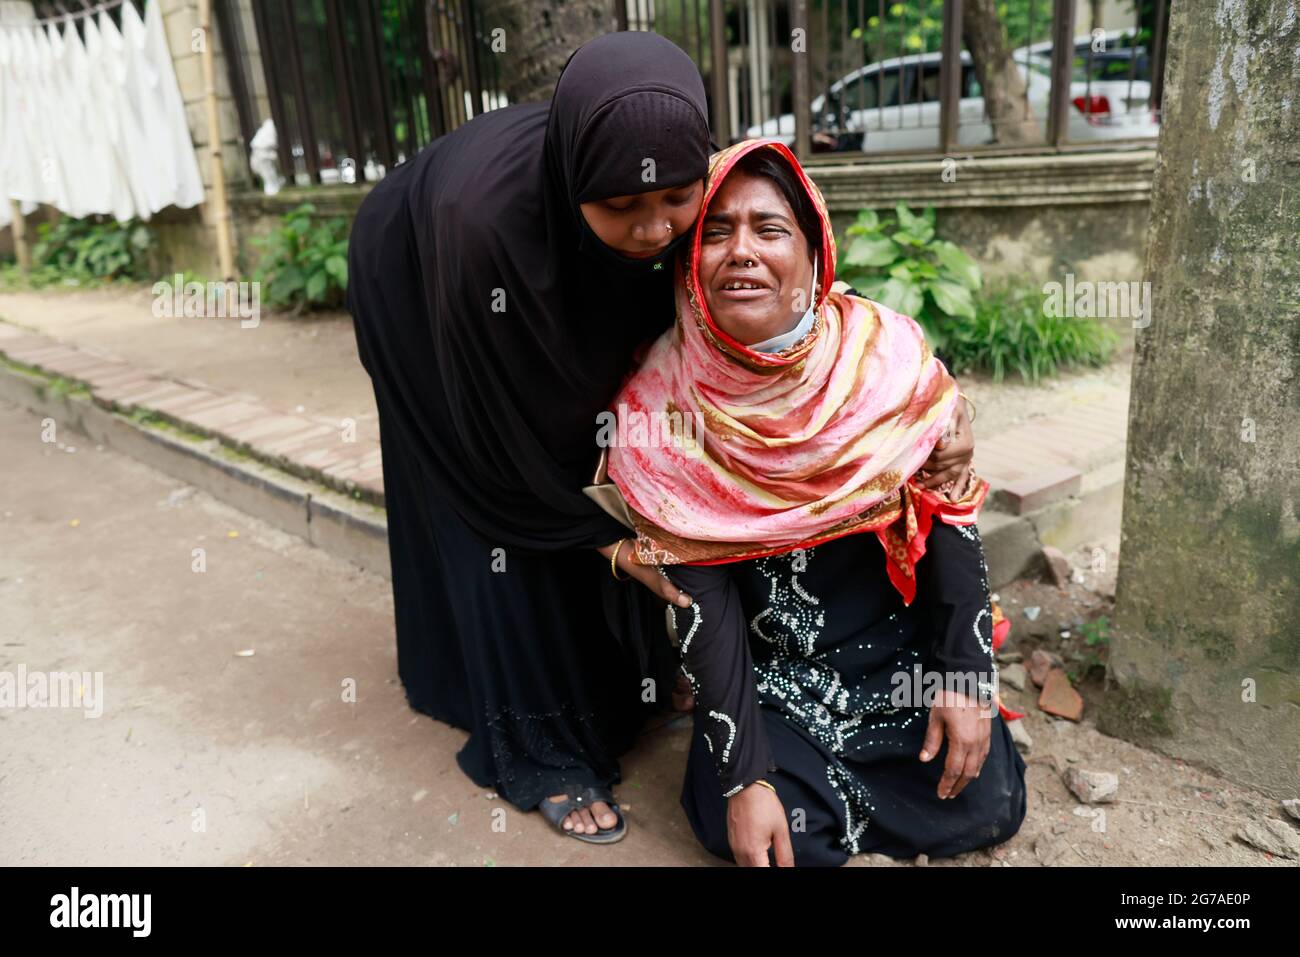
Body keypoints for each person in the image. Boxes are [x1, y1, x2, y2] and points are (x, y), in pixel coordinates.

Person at [347, 29, 975, 844]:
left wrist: (897, 383)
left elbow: (781, 281)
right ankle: (542, 749)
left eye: (679, 199)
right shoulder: (479, 229)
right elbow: (507, 452)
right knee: (502, 517)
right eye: (623, 207)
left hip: (549, 263)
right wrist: (613, 548)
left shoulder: (666, 172)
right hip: (427, 284)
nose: (654, 232)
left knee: (626, 451)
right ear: (578, 184)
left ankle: (630, 684)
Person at [601, 139, 1027, 865]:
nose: (741, 252)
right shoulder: (660, 415)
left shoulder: (886, 363)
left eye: (769, 229)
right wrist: (745, 777)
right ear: (689, 261)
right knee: (743, 816)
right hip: (773, 682)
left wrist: (963, 678)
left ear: (814, 253)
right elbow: (705, 606)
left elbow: (950, 514)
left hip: (895, 655)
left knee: (986, 798)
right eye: (715, 232)